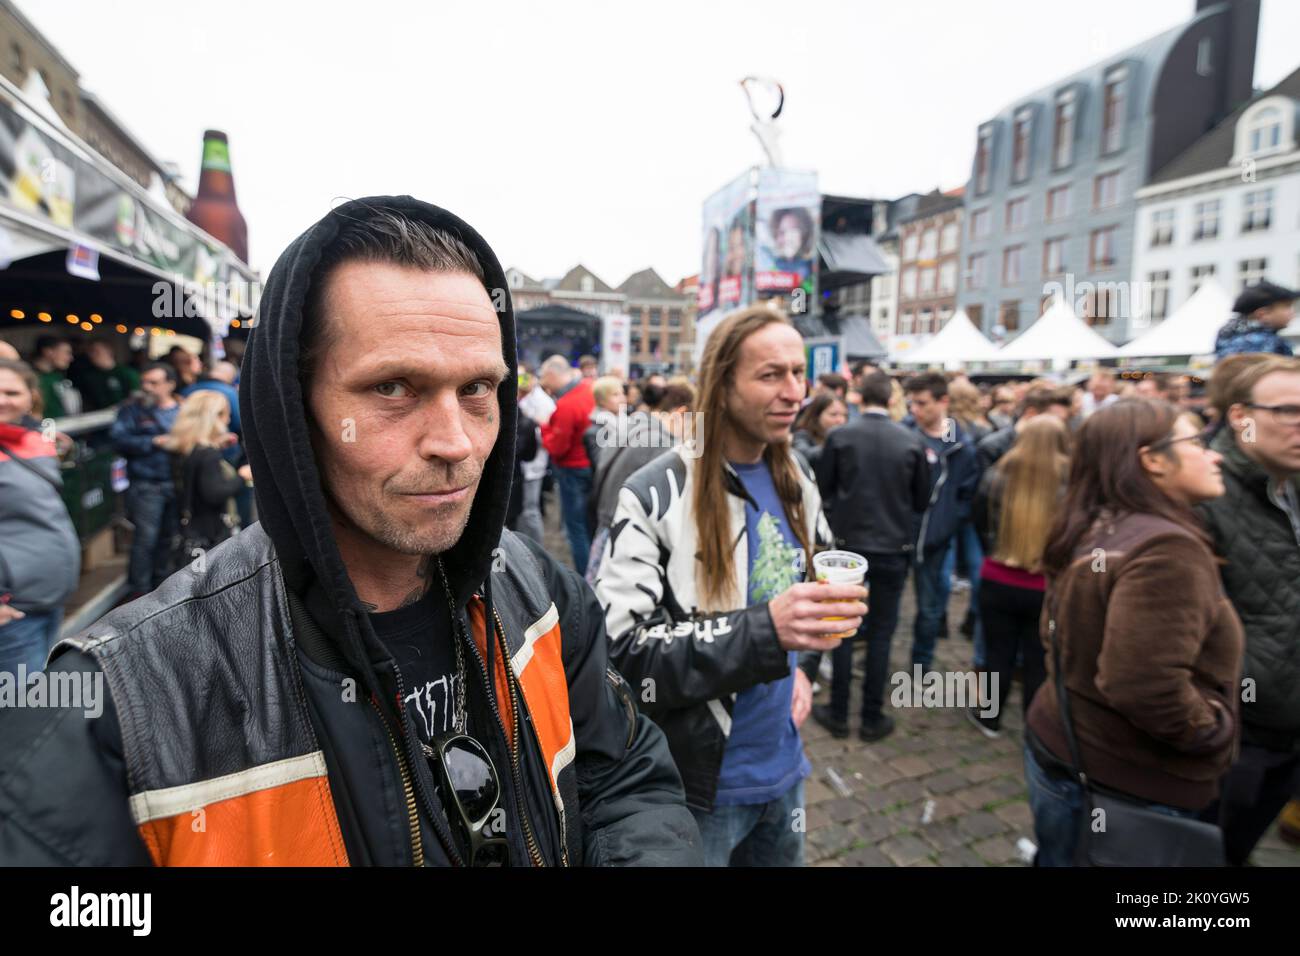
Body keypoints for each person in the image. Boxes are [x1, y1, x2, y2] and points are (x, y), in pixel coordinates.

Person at [0, 197, 699, 867]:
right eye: (394, 388)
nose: (456, 442)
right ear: (292, 408)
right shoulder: (126, 701)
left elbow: (625, 777)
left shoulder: (536, 587)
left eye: (478, 389)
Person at [595, 305, 862, 867]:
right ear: (722, 383)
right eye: (771, 375)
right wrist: (768, 630)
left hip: (783, 771)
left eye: (799, 372)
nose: (795, 391)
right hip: (698, 786)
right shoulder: (656, 491)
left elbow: (811, 592)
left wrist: (807, 673)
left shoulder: (799, 477)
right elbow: (622, 653)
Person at [1024, 400, 1241, 866]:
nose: (1215, 454)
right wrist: (1212, 732)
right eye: (1198, 442)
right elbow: (1141, 684)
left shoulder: (1099, 522)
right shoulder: (1166, 547)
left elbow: (1059, 635)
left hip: (1064, 743)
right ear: (1153, 459)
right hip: (1123, 776)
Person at [1196, 356, 1300, 865]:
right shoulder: (1200, 493)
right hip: (1236, 735)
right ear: (1241, 416)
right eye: (1287, 411)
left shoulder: (1292, 485)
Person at [812, 369, 930, 741]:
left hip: (850, 548)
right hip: (892, 548)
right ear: (892, 399)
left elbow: (824, 489)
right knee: (881, 633)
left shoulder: (842, 436)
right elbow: (921, 499)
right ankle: (870, 716)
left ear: (860, 398)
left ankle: (839, 711)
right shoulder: (909, 440)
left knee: (846, 630)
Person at [967, 416, 1068, 738]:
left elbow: (979, 519)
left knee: (998, 652)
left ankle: (989, 716)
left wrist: (994, 551)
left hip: (998, 578)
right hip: (1045, 584)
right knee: (1038, 659)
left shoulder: (997, 475)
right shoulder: (1072, 484)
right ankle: (1034, 723)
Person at [0, 359, 80, 674]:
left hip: (48, 597)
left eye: (12, 392)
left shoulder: (30, 439)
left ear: (31, 396)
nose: (2, 399)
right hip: (14, 610)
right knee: (20, 713)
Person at [903, 373, 980, 671]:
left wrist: (945, 525)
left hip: (936, 539)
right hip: (900, 535)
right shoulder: (905, 432)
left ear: (943, 401)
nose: (914, 410)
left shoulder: (958, 446)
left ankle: (920, 665)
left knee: (930, 607)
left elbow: (965, 495)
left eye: (922, 403)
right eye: (912, 402)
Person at [585, 381, 694, 586]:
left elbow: (601, 468)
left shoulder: (632, 424)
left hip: (604, 520)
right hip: (623, 530)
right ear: (681, 414)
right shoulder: (663, 445)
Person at [110, 362, 182, 599]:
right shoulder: (131, 410)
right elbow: (118, 440)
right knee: (144, 540)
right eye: (145, 382)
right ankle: (138, 592)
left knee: (168, 537)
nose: (147, 387)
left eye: (154, 383)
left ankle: (162, 587)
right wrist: (153, 442)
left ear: (170, 384)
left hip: (176, 483)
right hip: (146, 484)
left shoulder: (183, 408)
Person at [161, 390, 252, 557]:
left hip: (188, 525)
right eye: (226, 415)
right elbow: (215, 494)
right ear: (215, 417)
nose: (229, 420)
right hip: (209, 531)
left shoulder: (182, 448)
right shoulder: (207, 455)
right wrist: (242, 476)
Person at [537, 355, 596, 574]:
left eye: (544, 379)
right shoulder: (588, 391)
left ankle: (586, 576)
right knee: (589, 525)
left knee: (576, 528)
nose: (544, 384)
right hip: (591, 466)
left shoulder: (567, 404)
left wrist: (544, 429)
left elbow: (557, 447)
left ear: (553, 374)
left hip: (572, 469)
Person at [977, 385, 1072, 470]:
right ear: (1031, 413)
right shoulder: (992, 447)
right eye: (1056, 419)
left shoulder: (1056, 446)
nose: (1061, 426)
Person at [511, 368, 554, 544]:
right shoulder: (520, 397)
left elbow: (547, 433)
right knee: (519, 509)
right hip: (520, 467)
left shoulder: (543, 402)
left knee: (530, 510)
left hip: (533, 465)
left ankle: (536, 550)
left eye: (523, 377)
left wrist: (531, 423)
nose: (519, 381)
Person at [1215, 281, 1296, 359]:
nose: (1292, 312)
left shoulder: (1227, 335)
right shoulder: (1268, 343)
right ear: (1263, 314)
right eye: (1287, 306)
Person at [69, 339, 141, 411]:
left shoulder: (127, 373)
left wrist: (118, 408)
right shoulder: (88, 376)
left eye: (97, 352)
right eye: (90, 352)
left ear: (109, 351)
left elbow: (136, 397)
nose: (93, 355)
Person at [581, 374, 627, 475]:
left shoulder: (626, 421)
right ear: (601, 400)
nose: (622, 398)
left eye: (622, 393)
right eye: (615, 394)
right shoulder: (595, 432)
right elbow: (601, 465)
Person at [791, 392, 847, 471]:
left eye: (844, 415)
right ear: (817, 415)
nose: (841, 420)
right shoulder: (802, 434)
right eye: (833, 414)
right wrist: (832, 447)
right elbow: (803, 455)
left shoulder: (845, 436)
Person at [31, 335, 82, 418]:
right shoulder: (30, 377)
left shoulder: (58, 376)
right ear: (48, 352)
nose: (71, 358)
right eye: (67, 353)